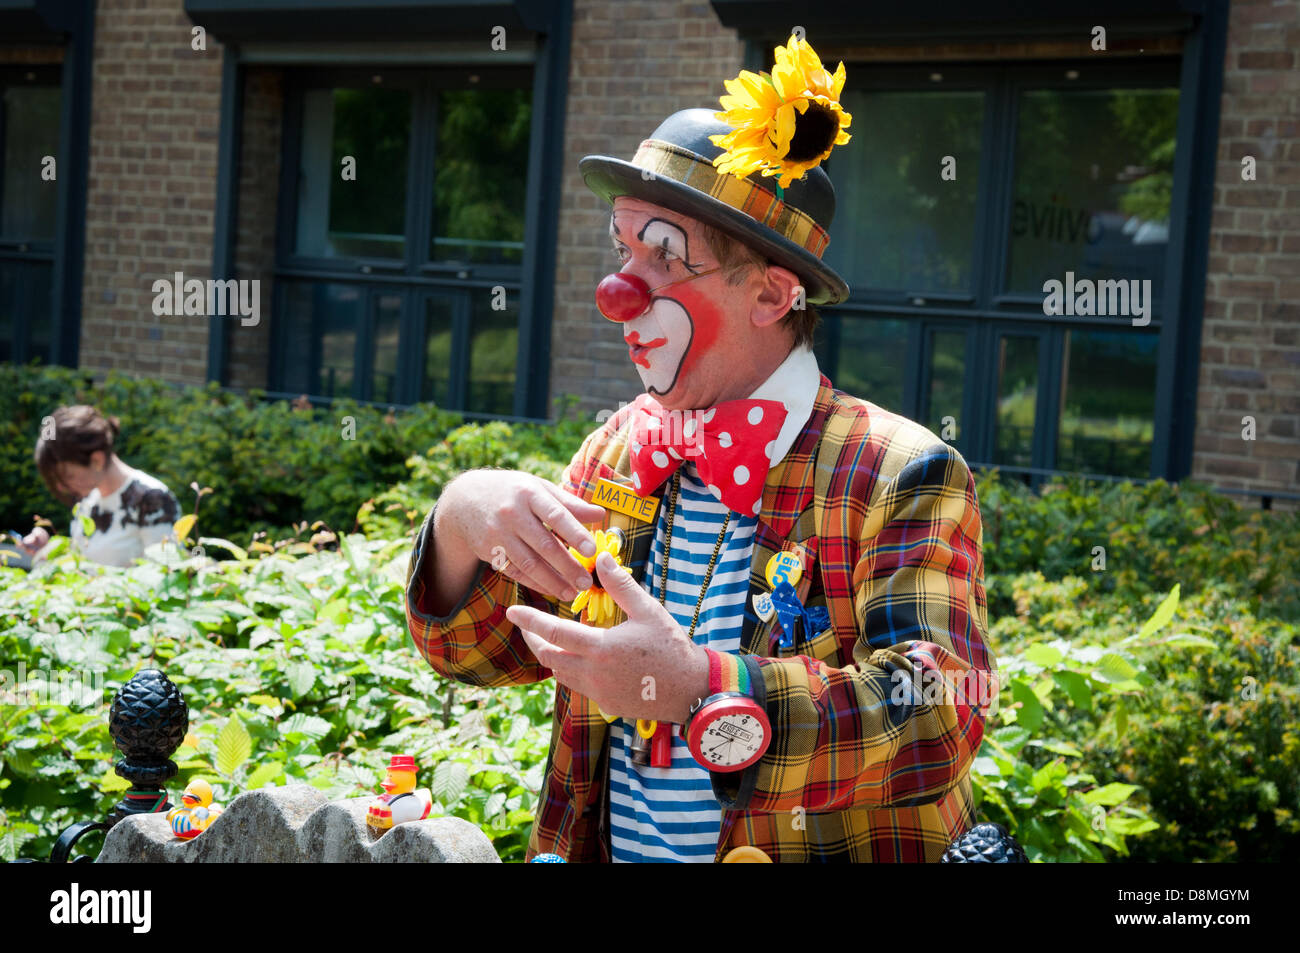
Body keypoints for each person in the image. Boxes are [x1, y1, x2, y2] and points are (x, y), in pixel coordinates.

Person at [405, 34, 997, 862]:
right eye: (623, 250)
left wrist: (702, 690)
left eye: (665, 257)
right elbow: (485, 652)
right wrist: (459, 520)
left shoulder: (898, 471)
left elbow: (936, 715)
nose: (620, 293)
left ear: (770, 293)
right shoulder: (620, 450)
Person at [22, 404, 181, 568]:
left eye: (68, 476)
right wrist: (48, 549)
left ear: (97, 460)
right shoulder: (90, 500)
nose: (62, 487)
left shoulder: (152, 499)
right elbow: (86, 564)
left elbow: (167, 574)